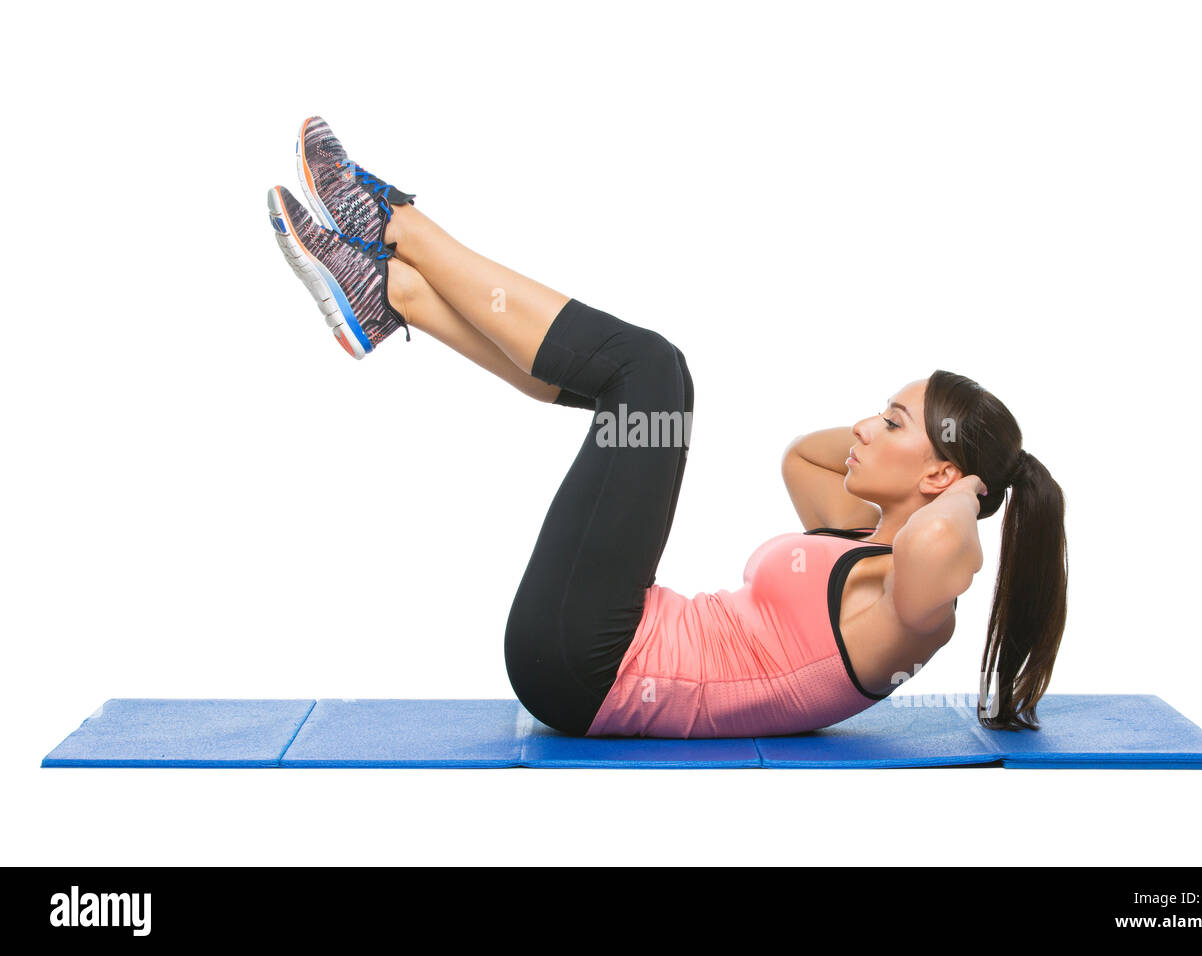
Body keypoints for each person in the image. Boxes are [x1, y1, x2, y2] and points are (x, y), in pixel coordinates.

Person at [267, 117, 1068, 738]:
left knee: (652, 374)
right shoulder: (862, 543)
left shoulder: (915, 598)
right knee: (636, 395)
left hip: (592, 663)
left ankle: (394, 223)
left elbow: (934, 541)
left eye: (892, 421)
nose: (864, 424)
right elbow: (802, 460)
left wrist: (970, 482)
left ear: (942, 480)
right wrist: (902, 448)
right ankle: (396, 296)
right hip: (602, 640)